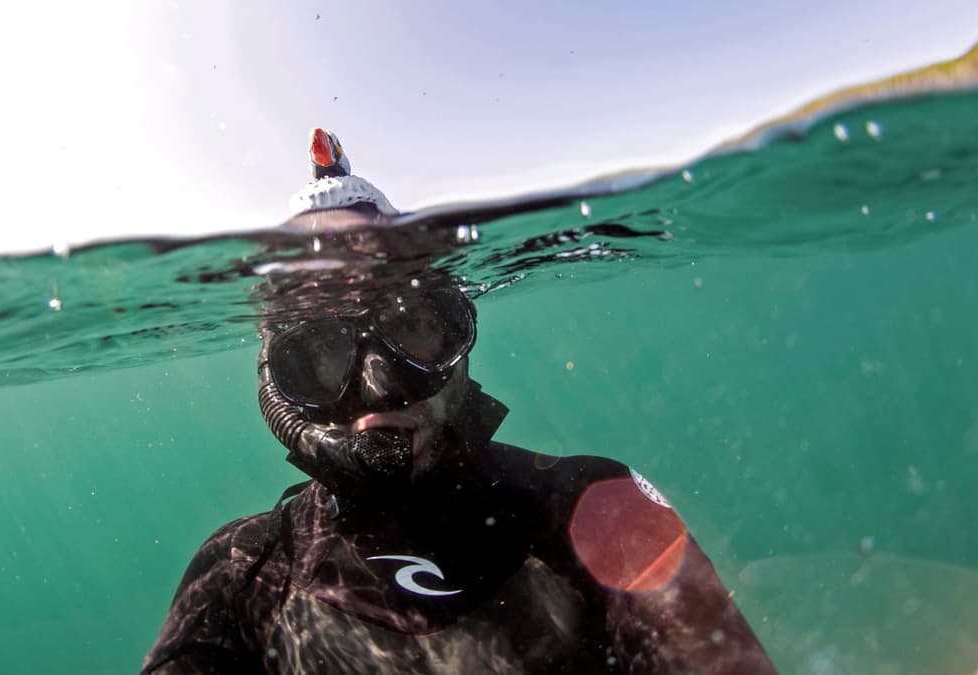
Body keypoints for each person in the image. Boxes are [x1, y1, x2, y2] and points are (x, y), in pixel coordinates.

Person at [141, 129, 776, 674]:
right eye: (322, 356)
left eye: (416, 329)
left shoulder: (597, 510)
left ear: (462, 344)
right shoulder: (240, 575)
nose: (381, 385)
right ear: (281, 387)